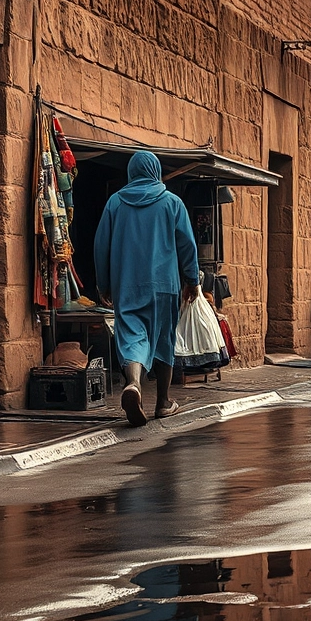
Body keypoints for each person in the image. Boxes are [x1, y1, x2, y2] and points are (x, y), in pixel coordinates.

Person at [93, 150, 199, 427]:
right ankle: (163, 402)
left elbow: (101, 246)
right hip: (165, 286)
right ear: (156, 171)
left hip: (127, 284)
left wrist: (104, 284)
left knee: (132, 335)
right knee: (164, 337)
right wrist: (192, 280)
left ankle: (134, 383)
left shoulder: (115, 203)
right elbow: (187, 245)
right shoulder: (172, 203)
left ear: (132, 172)